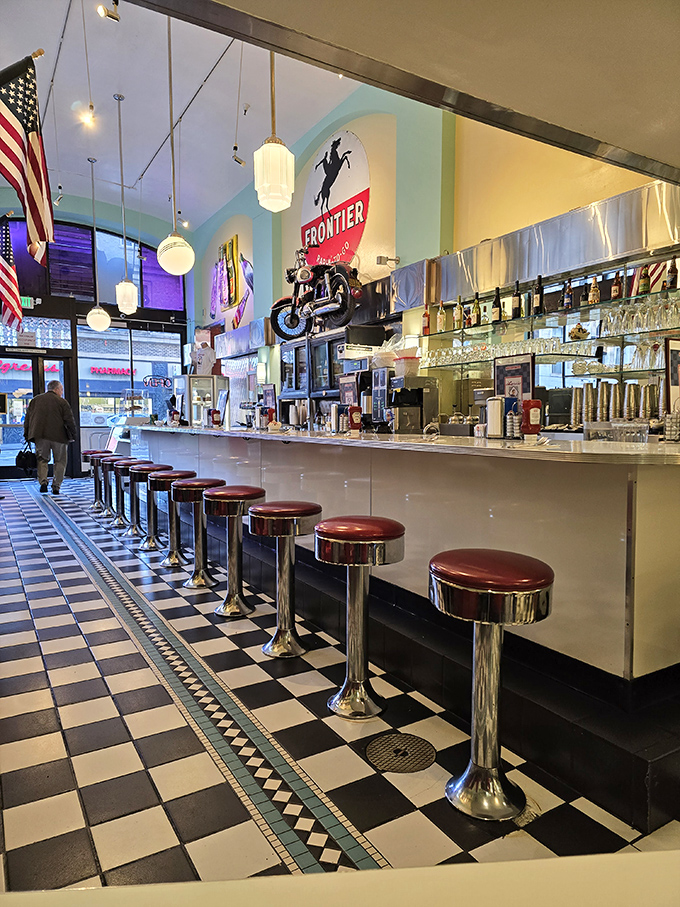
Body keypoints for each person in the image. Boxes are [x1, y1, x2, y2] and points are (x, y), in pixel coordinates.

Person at [24, 380, 77, 495]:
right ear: (56, 389)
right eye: (61, 390)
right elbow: (69, 420)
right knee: (60, 461)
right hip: (59, 436)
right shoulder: (62, 402)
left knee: (42, 459)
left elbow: (27, 419)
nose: (62, 392)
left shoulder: (35, 401)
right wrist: (73, 434)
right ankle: (56, 486)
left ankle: (43, 482)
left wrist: (27, 434)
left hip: (40, 435)